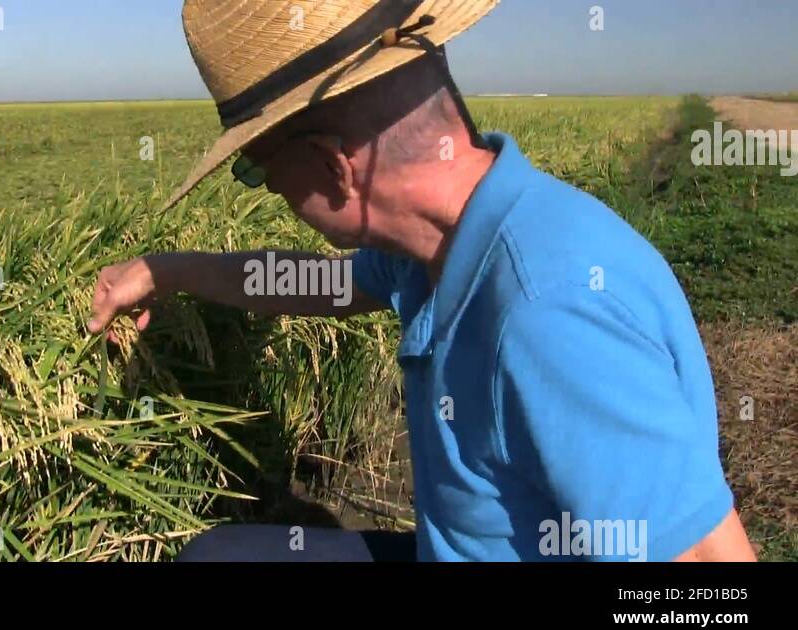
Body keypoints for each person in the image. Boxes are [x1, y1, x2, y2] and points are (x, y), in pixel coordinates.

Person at [88, 0, 755, 562]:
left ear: (332, 166)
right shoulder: (440, 244)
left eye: (258, 170)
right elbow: (315, 285)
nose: (271, 194)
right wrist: (164, 271)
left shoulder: (549, 309)